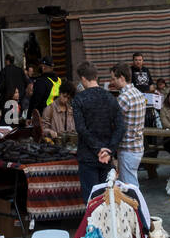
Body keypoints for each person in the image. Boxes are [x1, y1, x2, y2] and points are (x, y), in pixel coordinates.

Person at [73, 62, 123, 202]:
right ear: (96, 76)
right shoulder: (111, 98)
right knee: (106, 200)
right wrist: (109, 150)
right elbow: (120, 127)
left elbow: (81, 129)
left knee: (91, 200)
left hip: (88, 155)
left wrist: (98, 149)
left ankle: (93, 224)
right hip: (106, 157)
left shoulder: (79, 99)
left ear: (83, 79)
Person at [109, 63, 146, 187]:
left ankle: (138, 206)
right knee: (131, 183)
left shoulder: (124, 98)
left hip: (127, 148)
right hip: (137, 146)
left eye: (114, 78)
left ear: (122, 78)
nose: (112, 82)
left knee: (129, 187)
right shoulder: (138, 93)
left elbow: (111, 120)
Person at [41, 79, 77, 143]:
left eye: (68, 98)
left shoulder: (70, 110)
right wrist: (49, 131)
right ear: (60, 93)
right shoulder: (49, 109)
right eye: (64, 96)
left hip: (69, 144)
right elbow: (42, 129)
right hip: (54, 145)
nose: (66, 100)